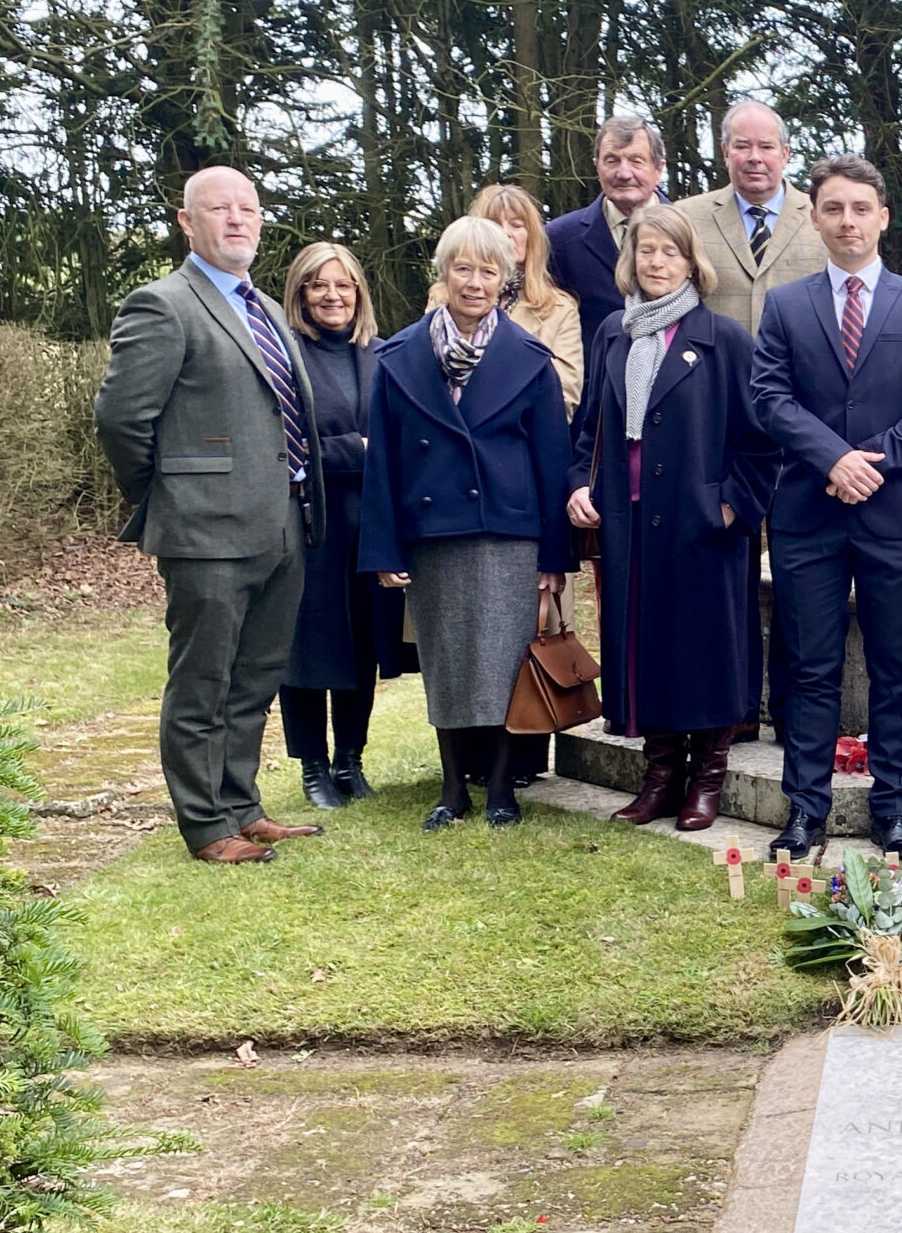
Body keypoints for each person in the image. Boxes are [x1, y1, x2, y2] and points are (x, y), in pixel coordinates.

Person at [92, 166, 326, 864]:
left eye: (248, 209)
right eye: (219, 209)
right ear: (186, 222)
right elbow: (121, 419)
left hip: (284, 519)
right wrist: (171, 492)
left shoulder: (266, 308)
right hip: (206, 530)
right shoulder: (162, 304)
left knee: (256, 676)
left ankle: (242, 804)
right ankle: (204, 823)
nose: (237, 220)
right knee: (203, 679)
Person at [753, 154, 902, 860]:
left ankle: (893, 811)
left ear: (883, 217)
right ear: (814, 215)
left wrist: (872, 461)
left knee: (894, 668)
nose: (847, 221)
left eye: (860, 209)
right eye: (833, 208)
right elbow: (769, 398)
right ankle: (805, 809)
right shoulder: (785, 305)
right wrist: (830, 459)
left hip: (892, 514)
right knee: (810, 667)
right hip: (808, 514)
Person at [568, 204, 778, 833]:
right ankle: (659, 779)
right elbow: (592, 426)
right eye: (644, 251)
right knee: (645, 647)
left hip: (700, 525)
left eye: (669, 252)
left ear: (692, 262)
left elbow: (762, 441)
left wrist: (729, 504)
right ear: (628, 261)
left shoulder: (723, 340)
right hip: (629, 523)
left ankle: (705, 783)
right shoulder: (612, 332)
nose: (655, 263)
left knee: (704, 650)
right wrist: (581, 481)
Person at [360, 216, 574, 831]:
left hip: (509, 532)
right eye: (463, 269)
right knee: (448, 662)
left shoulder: (530, 359)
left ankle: (503, 787)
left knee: (507, 663)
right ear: (443, 274)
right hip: (433, 534)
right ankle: (453, 789)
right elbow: (385, 464)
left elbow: (552, 463)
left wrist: (553, 560)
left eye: (487, 271)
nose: (474, 282)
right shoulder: (398, 355)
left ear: (505, 279)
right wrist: (383, 547)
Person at [278, 241, 406, 811]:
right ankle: (311, 766)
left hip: (369, 527)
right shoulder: (283, 356)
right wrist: (356, 451)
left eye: (344, 285)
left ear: (360, 293)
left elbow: (400, 444)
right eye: (319, 285)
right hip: (308, 529)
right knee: (307, 647)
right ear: (300, 294)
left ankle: (350, 760)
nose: (333, 296)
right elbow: (281, 446)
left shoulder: (383, 355)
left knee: (362, 648)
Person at [673, 99, 830, 334]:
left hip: (797, 367)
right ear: (726, 152)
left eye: (766, 146)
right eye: (743, 146)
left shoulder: (822, 217)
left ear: (785, 153)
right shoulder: (686, 216)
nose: (754, 157)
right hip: (715, 366)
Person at [546, 114, 668, 352]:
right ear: (597, 166)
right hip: (595, 384)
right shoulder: (559, 239)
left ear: (659, 168)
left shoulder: (692, 232)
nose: (623, 173)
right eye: (611, 161)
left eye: (636, 161)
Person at [470, 184, 585, 414]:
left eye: (516, 225)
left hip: (520, 438)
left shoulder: (559, 309)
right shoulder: (446, 297)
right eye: (494, 225)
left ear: (531, 236)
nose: (505, 233)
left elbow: (564, 396)